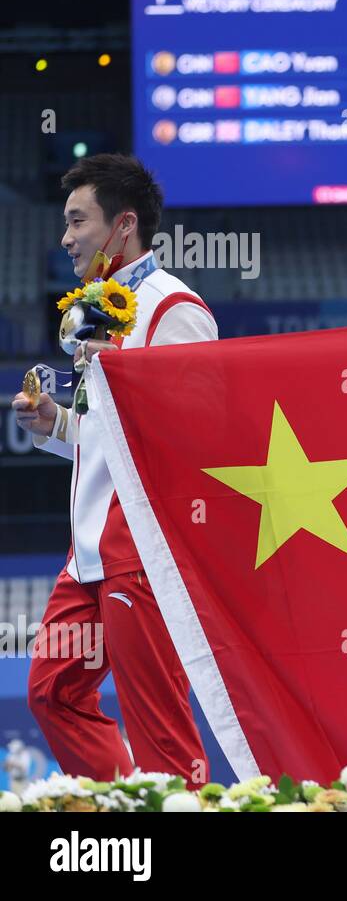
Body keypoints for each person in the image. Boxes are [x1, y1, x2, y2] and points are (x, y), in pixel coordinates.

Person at [11, 153, 218, 783]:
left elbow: (198, 434)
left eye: (78, 221)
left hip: (144, 548)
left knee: (157, 722)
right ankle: (129, 803)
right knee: (51, 693)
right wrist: (58, 427)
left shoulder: (173, 309)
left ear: (123, 226)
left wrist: (125, 371)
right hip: (90, 551)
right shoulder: (91, 312)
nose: (65, 237)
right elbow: (111, 440)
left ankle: (171, 807)